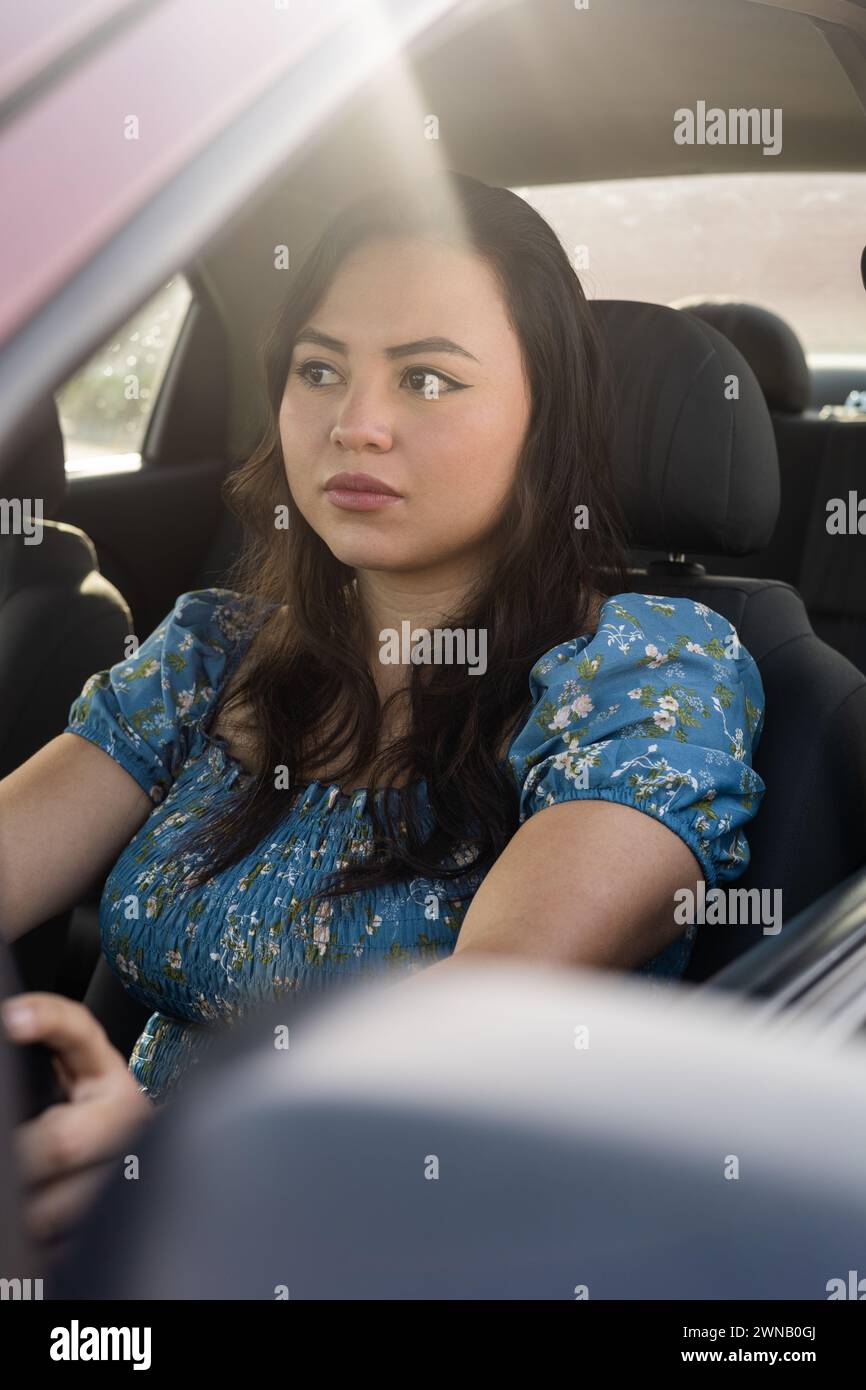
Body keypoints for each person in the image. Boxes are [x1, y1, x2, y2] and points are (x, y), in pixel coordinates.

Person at [0, 170, 765, 1250]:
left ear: (543, 416)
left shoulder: (644, 672)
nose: (355, 424)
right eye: (319, 369)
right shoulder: (208, 652)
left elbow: (471, 1021)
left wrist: (168, 1163)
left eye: (427, 381)